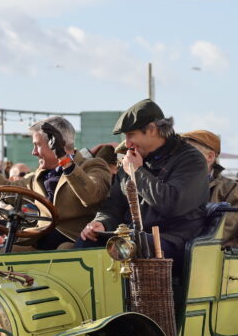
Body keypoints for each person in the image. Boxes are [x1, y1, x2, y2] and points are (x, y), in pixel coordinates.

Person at [80, 99, 210, 267]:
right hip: (134, 237)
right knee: (87, 239)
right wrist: (101, 222)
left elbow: (171, 204)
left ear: (152, 130)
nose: (127, 144)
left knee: (132, 244)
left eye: (131, 135)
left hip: (175, 239)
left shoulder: (191, 159)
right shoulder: (132, 160)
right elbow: (113, 206)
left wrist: (137, 172)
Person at [0, 111, 113, 250]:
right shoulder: (38, 177)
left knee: (64, 251)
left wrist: (64, 160)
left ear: (57, 144)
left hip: (75, 243)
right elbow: (6, 188)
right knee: (0, 253)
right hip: (38, 241)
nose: (33, 152)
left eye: (37, 145)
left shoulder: (93, 166)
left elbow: (91, 196)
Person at [183, 129, 238, 243]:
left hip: (210, 249)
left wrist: (198, 242)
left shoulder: (229, 188)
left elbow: (229, 225)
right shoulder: (175, 184)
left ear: (210, 157)